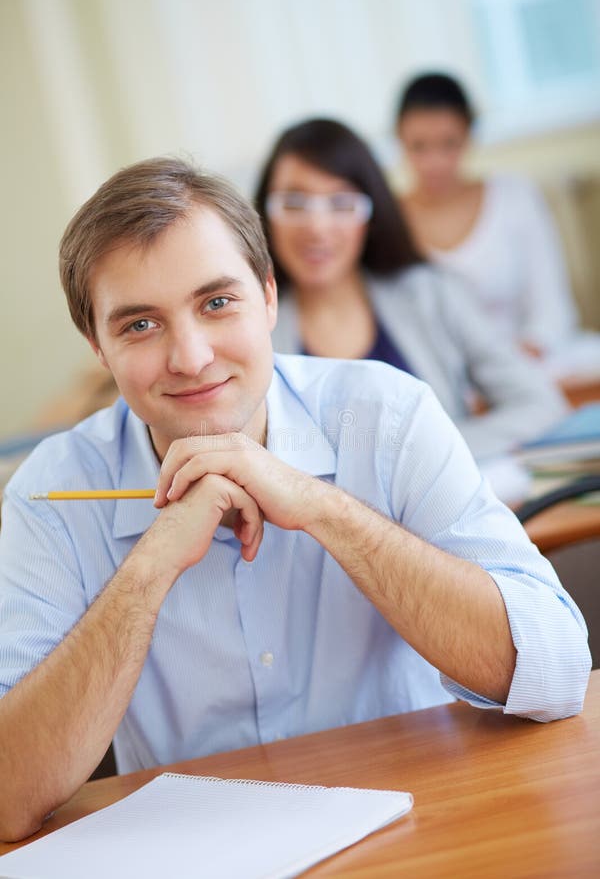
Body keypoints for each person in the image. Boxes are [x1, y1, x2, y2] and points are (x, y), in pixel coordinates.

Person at [0, 158, 590, 843]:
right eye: (139, 325)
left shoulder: (386, 414)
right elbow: (8, 797)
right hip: (199, 856)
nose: (190, 357)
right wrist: (148, 571)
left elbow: (556, 675)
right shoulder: (51, 488)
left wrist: (323, 508)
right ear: (96, 347)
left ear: (272, 298)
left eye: (217, 303)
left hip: (422, 829)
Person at [255, 117, 567, 462]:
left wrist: (432, 456)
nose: (317, 227)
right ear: (264, 215)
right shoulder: (251, 328)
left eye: (341, 203)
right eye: (294, 204)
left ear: (370, 215)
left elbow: (540, 403)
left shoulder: (432, 295)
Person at [395, 72, 581, 360]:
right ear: (399, 139)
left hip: (535, 361)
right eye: (419, 146)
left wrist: (517, 363)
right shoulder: (389, 220)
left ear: (470, 135)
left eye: (449, 144)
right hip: (447, 380)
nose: (435, 163)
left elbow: (553, 309)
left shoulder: (515, 196)